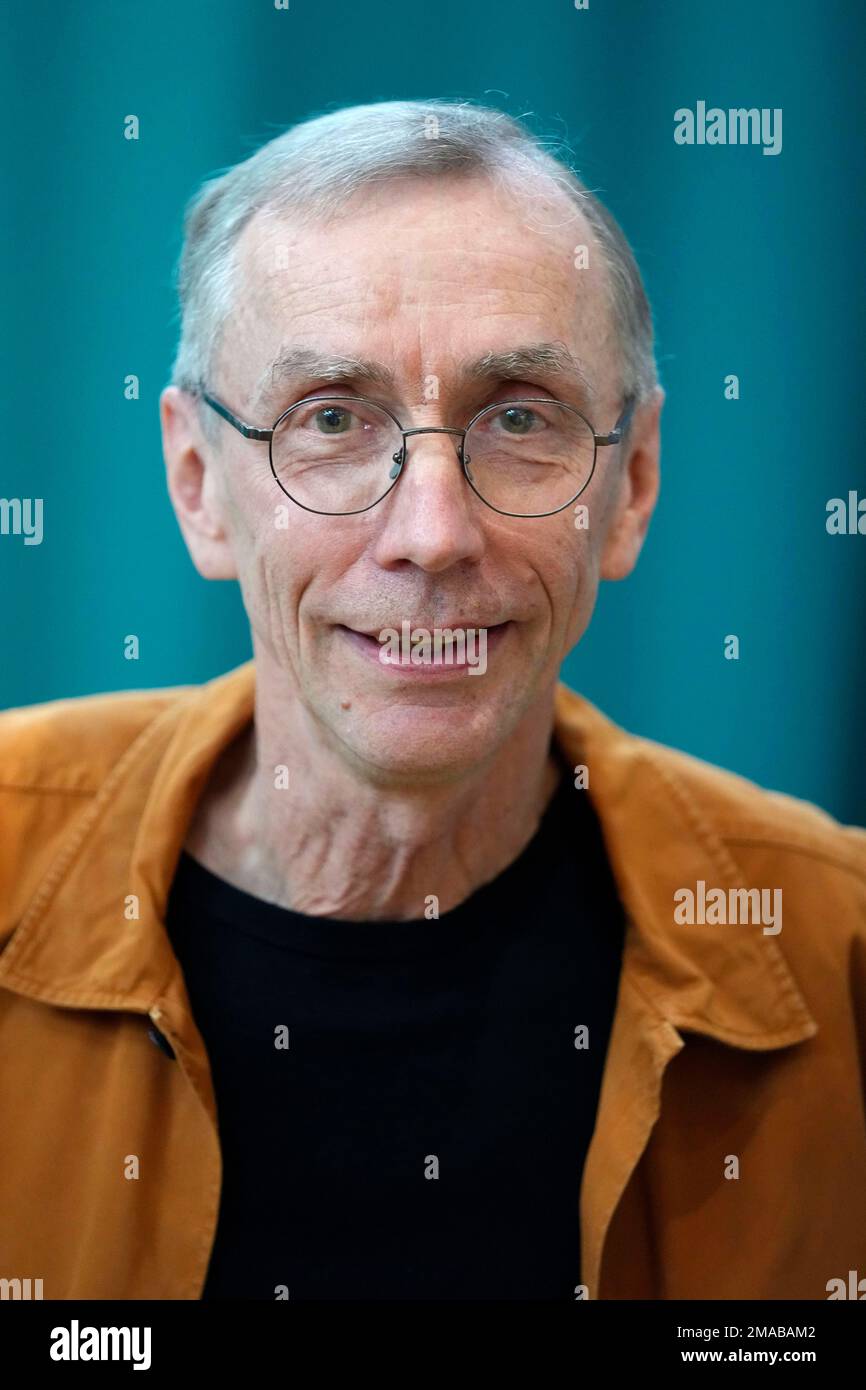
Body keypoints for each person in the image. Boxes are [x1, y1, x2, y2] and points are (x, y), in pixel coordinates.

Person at [1, 100, 864, 1302]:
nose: (432, 532)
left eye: (518, 418)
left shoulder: (833, 948)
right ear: (198, 482)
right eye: (330, 420)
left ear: (631, 483)